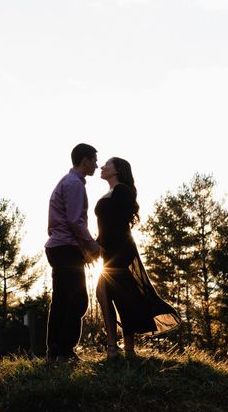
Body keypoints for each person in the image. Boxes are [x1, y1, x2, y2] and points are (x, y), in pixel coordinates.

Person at [95, 157, 180, 358]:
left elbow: (118, 224)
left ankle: (116, 348)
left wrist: (102, 245)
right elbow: (106, 225)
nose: (102, 167)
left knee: (106, 291)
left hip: (120, 249)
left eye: (107, 164)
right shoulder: (111, 192)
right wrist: (95, 244)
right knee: (119, 294)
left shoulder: (123, 190)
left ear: (117, 170)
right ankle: (125, 349)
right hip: (109, 251)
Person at [44, 143, 102, 361]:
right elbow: (75, 221)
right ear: (84, 160)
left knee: (61, 298)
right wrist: (92, 246)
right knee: (78, 300)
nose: (97, 165)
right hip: (65, 247)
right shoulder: (74, 184)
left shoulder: (67, 182)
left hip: (60, 247)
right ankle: (64, 350)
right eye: (94, 160)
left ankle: (55, 350)